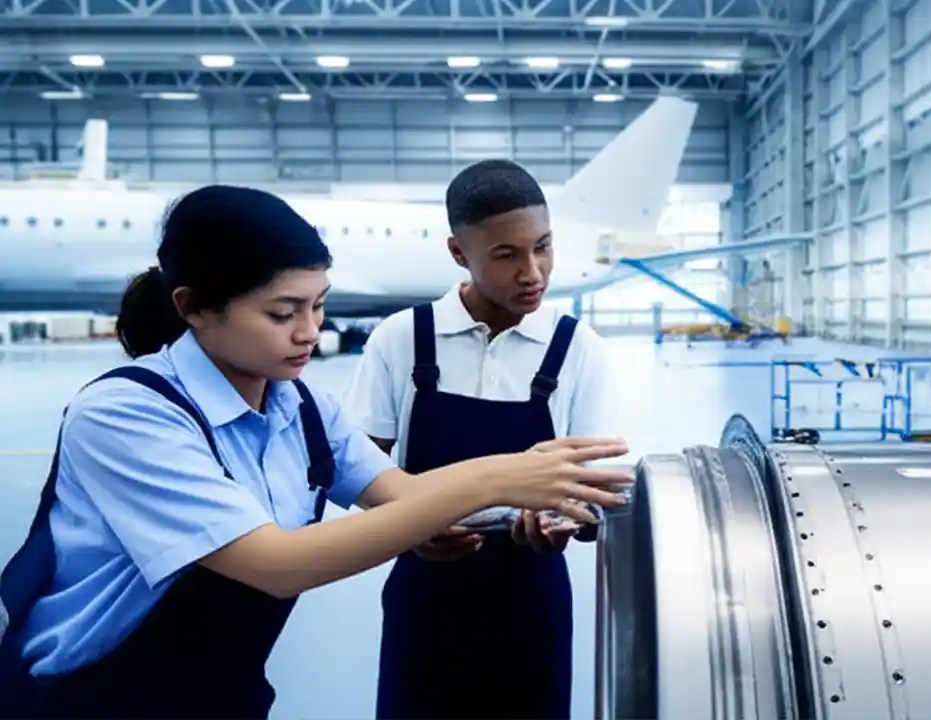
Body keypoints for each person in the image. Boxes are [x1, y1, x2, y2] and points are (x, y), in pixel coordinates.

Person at [0, 184, 631, 719]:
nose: (310, 332)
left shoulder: (299, 406)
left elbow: (406, 494)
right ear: (193, 308)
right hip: (93, 696)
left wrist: (534, 502)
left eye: (319, 306)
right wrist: (497, 477)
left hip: (223, 690)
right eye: (283, 313)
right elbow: (277, 565)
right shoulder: (127, 414)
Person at [342, 159, 615, 719]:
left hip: (531, 601)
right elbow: (357, 466)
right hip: (425, 597)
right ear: (459, 253)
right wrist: (410, 527)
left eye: (543, 247)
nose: (534, 271)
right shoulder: (402, 339)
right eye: (507, 255)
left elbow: (595, 491)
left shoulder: (578, 348)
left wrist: (563, 521)